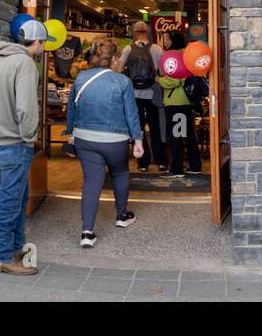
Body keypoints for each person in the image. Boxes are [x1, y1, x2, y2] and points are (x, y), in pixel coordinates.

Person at [0, 18, 48, 276]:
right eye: (43, 44)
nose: (43, 50)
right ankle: (1, 257)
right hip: (15, 142)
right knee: (11, 201)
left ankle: (16, 247)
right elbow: (26, 107)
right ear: (37, 42)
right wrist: (29, 136)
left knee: (19, 196)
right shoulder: (25, 64)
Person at [66, 39, 142, 247]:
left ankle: (87, 232)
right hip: (115, 139)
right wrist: (138, 139)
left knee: (91, 181)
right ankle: (122, 215)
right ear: (115, 58)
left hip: (85, 137)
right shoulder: (122, 82)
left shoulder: (81, 78)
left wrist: (69, 132)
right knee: (120, 172)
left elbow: (72, 108)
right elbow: (131, 114)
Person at [119, 22, 167, 171]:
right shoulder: (156, 49)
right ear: (147, 32)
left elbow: (119, 70)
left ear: (135, 33)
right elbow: (165, 71)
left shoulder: (128, 49)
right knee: (156, 128)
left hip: (134, 95)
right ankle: (161, 161)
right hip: (153, 94)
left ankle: (142, 162)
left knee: (137, 128)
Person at [158, 34, 202, 176]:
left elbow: (174, 80)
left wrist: (159, 80)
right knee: (188, 134)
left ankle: (177, 169)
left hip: (175, 102)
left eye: (168, 39)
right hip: (186, 102)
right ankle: (195, 166)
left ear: (173, 40)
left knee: (176, 136)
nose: (165, 42)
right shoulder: (187, 55)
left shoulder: (174, 57)